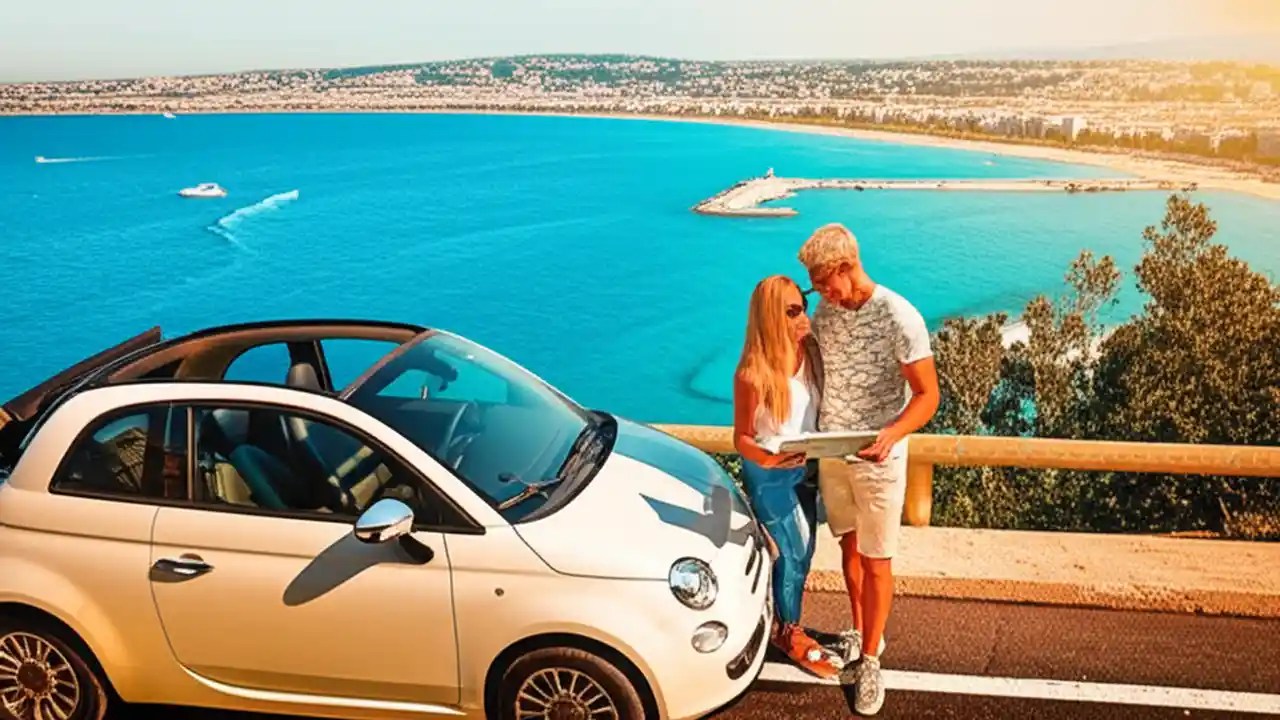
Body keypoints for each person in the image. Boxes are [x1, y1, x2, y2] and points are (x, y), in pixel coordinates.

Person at [797, 223, 939, 716]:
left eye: (822, 282)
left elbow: (928, 397)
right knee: (851, 548)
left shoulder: (900, 317)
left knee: (878, 561)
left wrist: (893, 434)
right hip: (835, 451)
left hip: (879, 456)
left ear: (844, 268)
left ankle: (873, 660)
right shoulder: (827, 313)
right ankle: (861, 634)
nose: (820, 294)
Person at [731, 274, 839, 680]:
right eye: (792, 311)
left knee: (805, 553)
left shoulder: (809, 354)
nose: (802, 316)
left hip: (805, 470)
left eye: (803, 307)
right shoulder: (753, 374)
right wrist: (772, 461)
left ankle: (781, 621)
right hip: (770, 475)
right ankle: (788, 633)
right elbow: (741, 438)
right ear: (771, 316)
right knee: (793, 553)